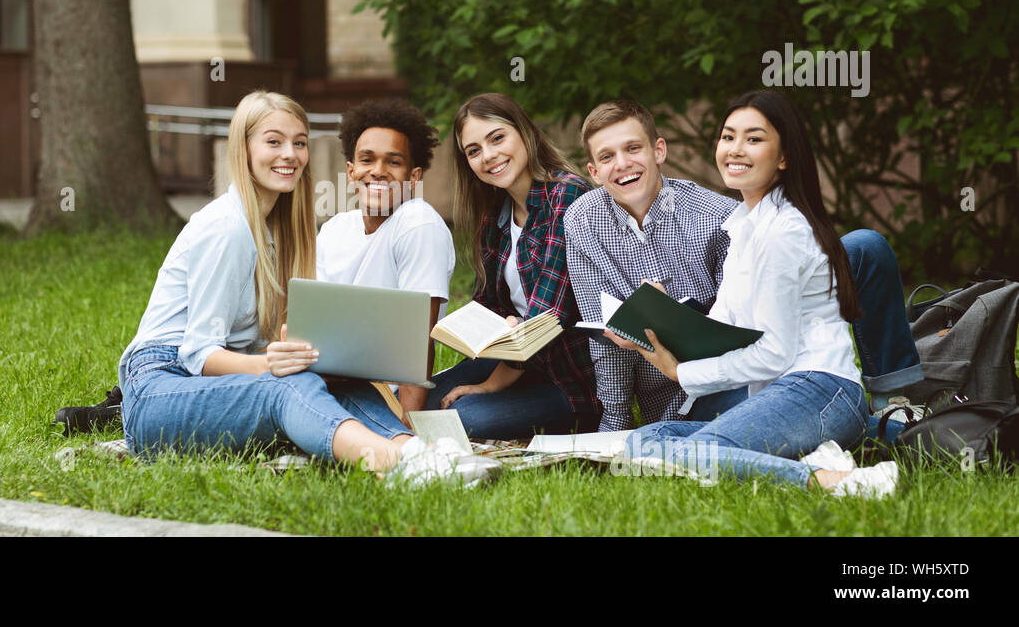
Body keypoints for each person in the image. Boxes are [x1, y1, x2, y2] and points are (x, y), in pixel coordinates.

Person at [564, 100, 922, 432]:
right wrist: (615, 420)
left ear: (659, 150)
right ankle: (896, 433)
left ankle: (895, 397)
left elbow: (748, 328)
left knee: (863, 247)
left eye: (632, 148)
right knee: (791, 411)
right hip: (684, 390)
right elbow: (604, 336)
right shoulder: (582, 220)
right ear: (594, 172)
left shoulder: (720, 217)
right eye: (607, 157)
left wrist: (670, 314)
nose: (623, 164)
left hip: (749, 366)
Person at [608, 90, 898, 496]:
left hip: (817, 387)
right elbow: (727, 330)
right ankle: (842, 448)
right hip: (774, 392)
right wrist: (660, 318)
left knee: (699, 451)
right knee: (645, 441)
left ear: (784, 157)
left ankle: (838, 482)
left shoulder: (783, 232)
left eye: (754, 139)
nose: (735, 150)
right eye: (728, 137)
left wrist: (679, 372)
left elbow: (775, 354)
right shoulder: (743, 225)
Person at [116, 90, 413, 471]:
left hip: (211, 385)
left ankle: (417, 449)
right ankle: (394, 463)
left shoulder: (279, 230)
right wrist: (268, 365)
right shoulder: (227, 227)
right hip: (158, 389)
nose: (290, 154)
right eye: (274, 141)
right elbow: (198, 355)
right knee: (288, 385)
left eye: (299, 143)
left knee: (340, 381)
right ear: (244, 149)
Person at [424, 92, 599, 439]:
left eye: (497, 138)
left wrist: (489, 387)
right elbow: (489, 305)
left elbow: (545, 324)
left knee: (461, 416)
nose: (488, 156)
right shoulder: (496, 212)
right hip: (515, 362)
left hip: (569, 380)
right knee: (422, 399)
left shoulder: (566, 196)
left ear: (525, 133)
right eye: (474, 151)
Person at [315, 98, 455, 417]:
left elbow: (418, 339)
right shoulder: (334, 229)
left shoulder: (417, 223)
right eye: (367, 160)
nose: (378, 171)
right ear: (351, 172)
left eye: (393, 162)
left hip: (384, 396)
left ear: (413, 176)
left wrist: (407, 430)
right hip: (329, 381)